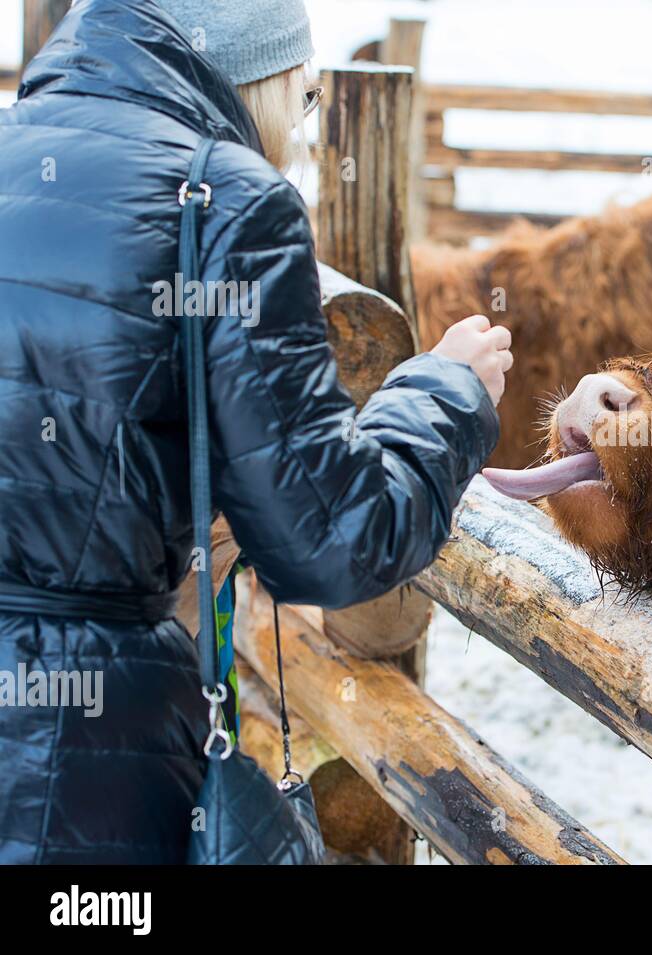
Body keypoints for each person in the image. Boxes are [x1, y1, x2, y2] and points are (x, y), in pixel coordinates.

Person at [0, 0, 512, 863]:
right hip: (78, 757)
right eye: (306, 98)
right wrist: (446, 393)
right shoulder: (229, 202)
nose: (300, 127)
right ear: (265, 72)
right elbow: (329, 540)